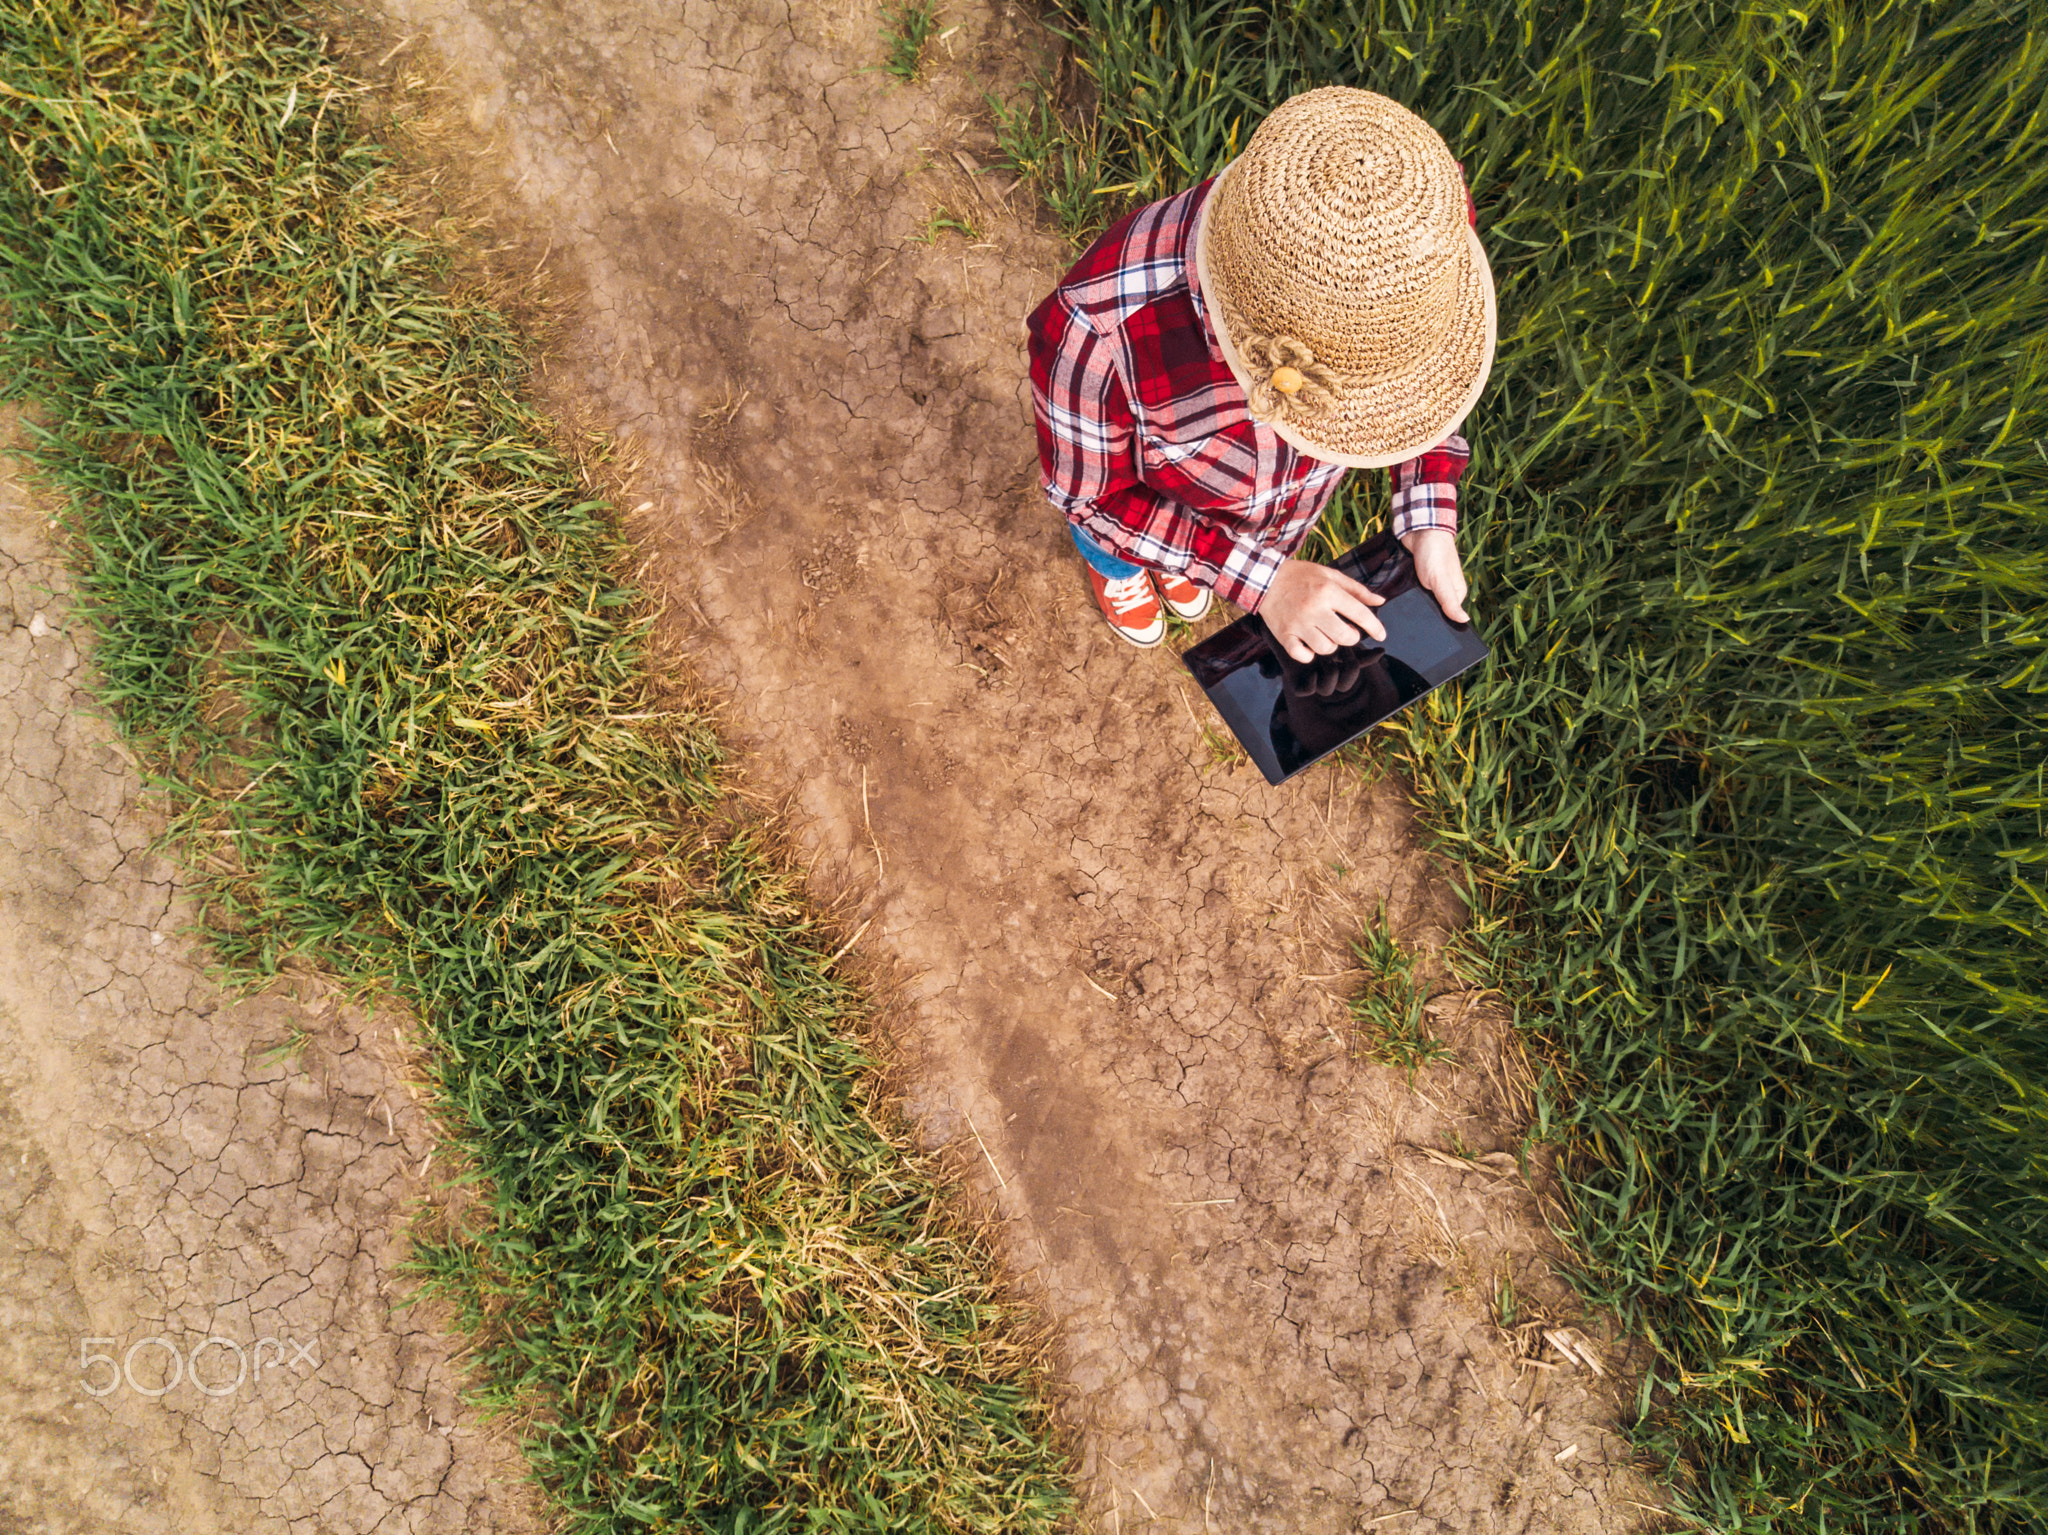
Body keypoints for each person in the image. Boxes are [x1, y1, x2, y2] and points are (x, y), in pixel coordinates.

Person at [1026, 87, 1496, 659]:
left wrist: (1429, 516)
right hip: (1145, 500)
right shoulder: (1097, 331)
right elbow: (1095, 499)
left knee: (1196, 563)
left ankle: (1190, 566)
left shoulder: (1418, 228)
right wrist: (1262, 580)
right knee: (1117, 546)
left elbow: (1424, 376)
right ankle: (1123, 571)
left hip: (1264, 513)